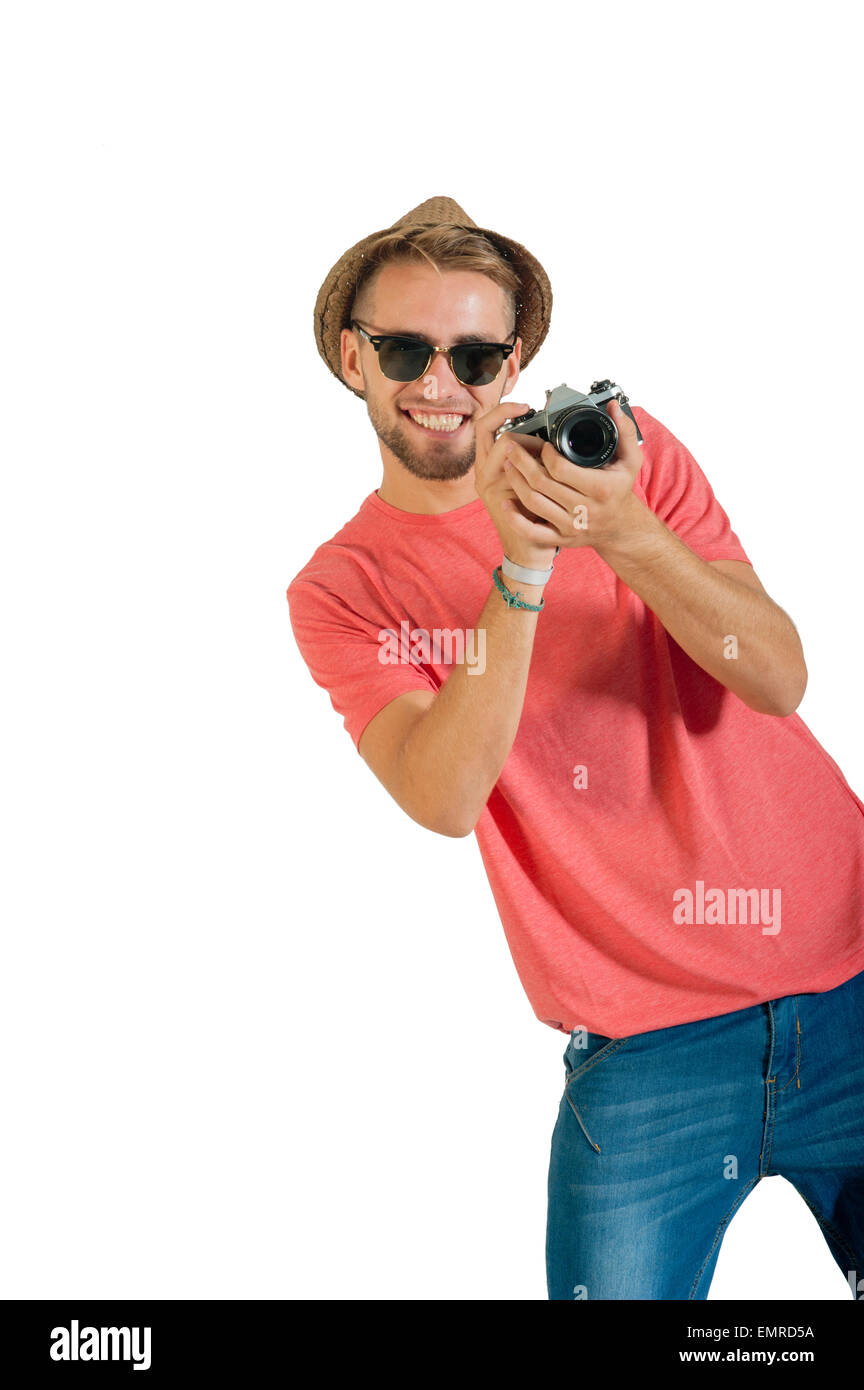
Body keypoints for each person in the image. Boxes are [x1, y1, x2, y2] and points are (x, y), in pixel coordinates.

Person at [286, 195, 864, 1300]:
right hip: (647, 1051)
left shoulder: (628, 463)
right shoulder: (344, 589)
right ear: (354, 357)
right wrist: (525, 571)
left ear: (518, 362)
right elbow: (445, 794)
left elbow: (777, 674)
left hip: (853, 968)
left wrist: (624, 528)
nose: (439, 382)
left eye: (473, 352)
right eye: (406, 348)